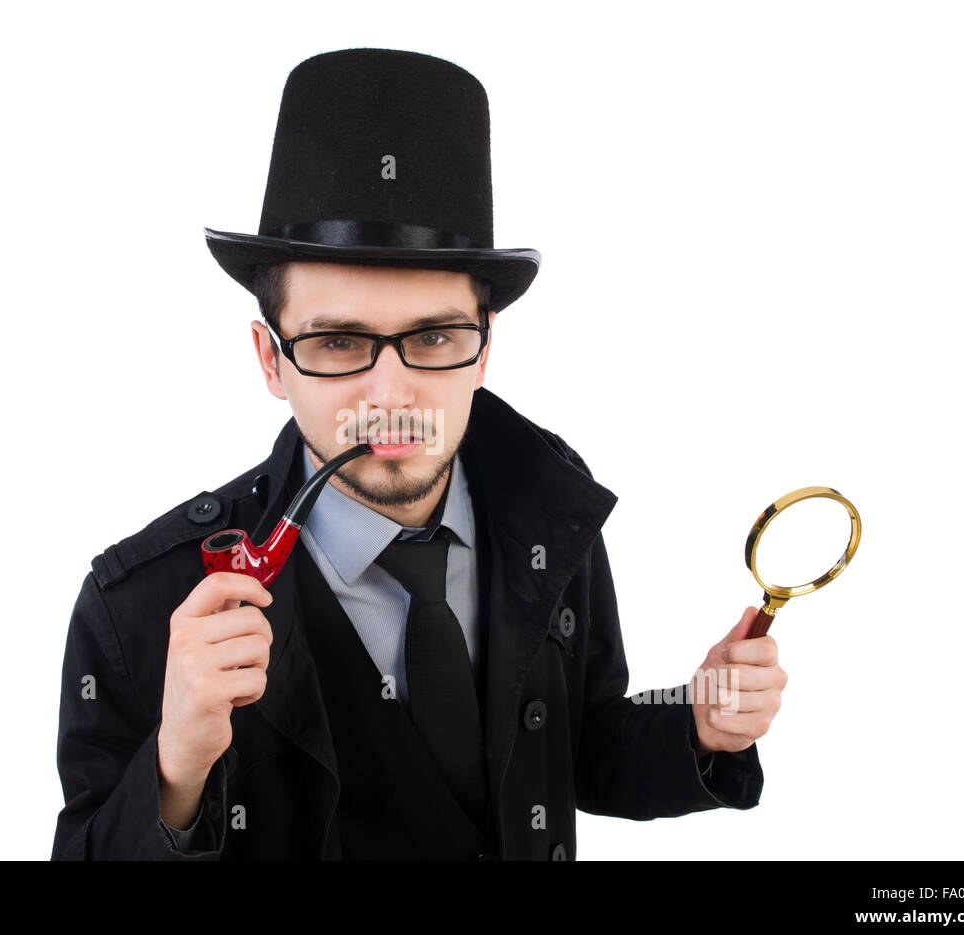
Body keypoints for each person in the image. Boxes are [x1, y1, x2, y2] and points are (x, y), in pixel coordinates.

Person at [50, 47, 787, 861]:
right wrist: (176, 768)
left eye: (433, 337)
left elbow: (579, 746)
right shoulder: (136, 608)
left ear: (484, 348)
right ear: (270, 359)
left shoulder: (549, 510)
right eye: (337, 342)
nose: (391, 396)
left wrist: (702, 725)